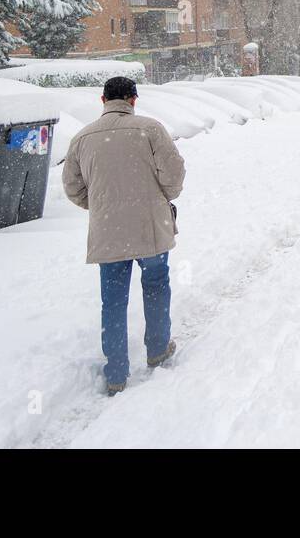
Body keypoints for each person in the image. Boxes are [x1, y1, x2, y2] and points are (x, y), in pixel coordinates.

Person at [62, 76, 185, 396]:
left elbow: (73, 188)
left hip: (108, 230)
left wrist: (103, 205)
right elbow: (174, 174)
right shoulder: (150, 129)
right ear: (133, 100)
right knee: (156, 283)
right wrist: (162, 196)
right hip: (150, 227)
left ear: (103, 100)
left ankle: (116, 371)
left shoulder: (82, 138)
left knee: (113, 299)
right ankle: (158, 348)